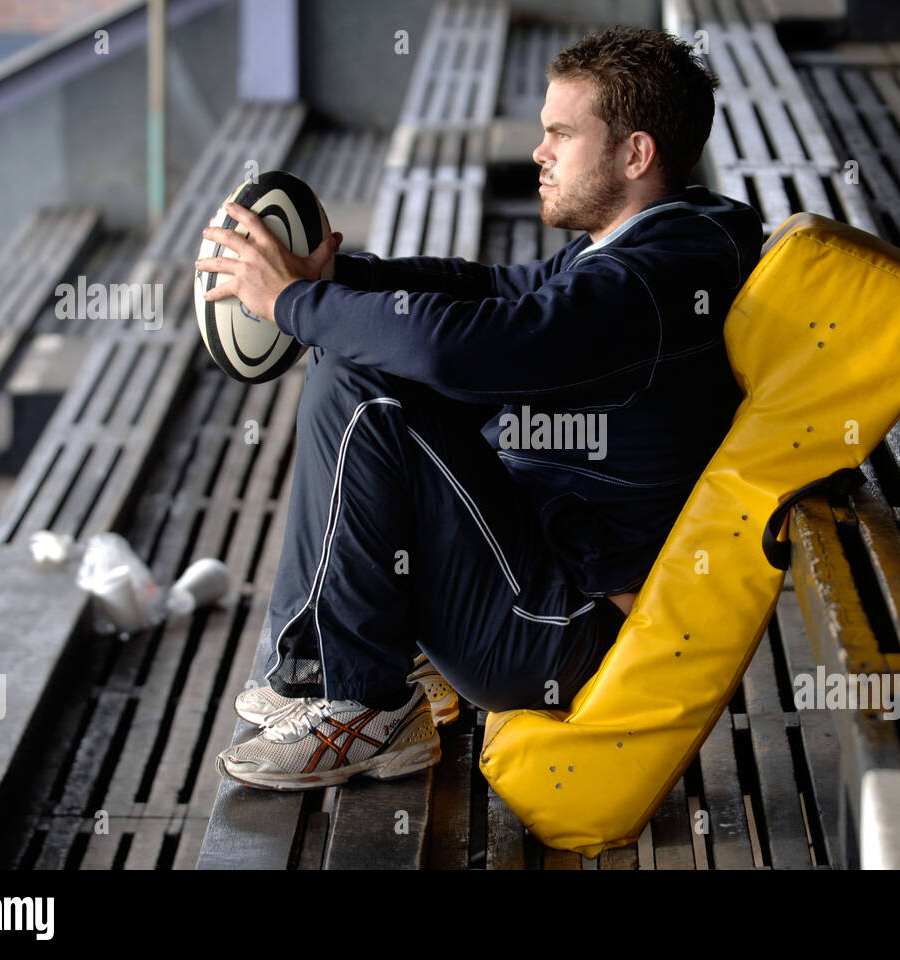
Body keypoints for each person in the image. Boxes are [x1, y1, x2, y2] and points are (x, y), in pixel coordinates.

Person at [194, 25, 765, 791]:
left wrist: (297, 302)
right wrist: (341, 278)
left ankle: (360, 703)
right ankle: (346, 660)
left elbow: (467, 347)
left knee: (364, 382)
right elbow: (500, 293)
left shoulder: (650, 282)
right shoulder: (654, 243)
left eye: (562, 134)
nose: (541, 153)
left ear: (635, 155)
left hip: (557, 628)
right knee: (371, 349)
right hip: (538, 568)